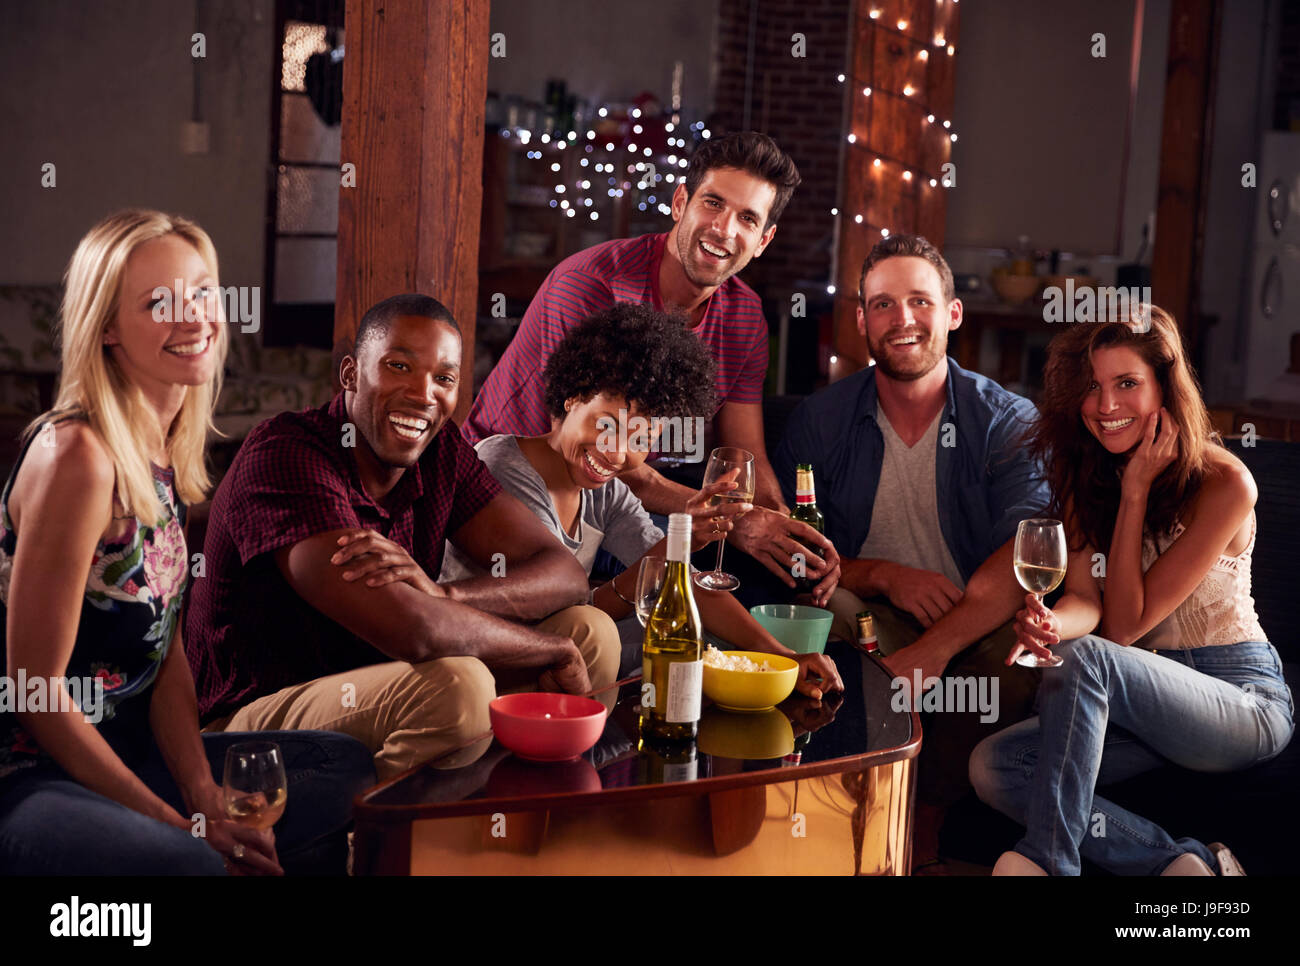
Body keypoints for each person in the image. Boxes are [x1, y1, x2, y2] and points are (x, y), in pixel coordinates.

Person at [0, 210, 373, 876]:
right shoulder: (79, 458)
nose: (194, 315)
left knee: (346, 771)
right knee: (187, 865)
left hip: (128, 744)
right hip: (28, 773)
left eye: (202, 291)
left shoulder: (162, 446)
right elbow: (33, 691)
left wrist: (206, 799)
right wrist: (178, 826)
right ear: (107, 328)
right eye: (158, 302)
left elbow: (166, 649)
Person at [187, 294, 621, 782]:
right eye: (399, 366)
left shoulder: (440, 452)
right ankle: (372, 846)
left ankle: (526, 812)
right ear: (351, 374)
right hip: (249, 720)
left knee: (590, 632)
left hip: (383, 680)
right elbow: (412, 630)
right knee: (459, 687)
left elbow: (562, 572)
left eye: (444, 378)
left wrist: (445, 594)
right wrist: (548, 650)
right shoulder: (287, 452)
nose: (423, 394)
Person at [969, 305, 1295, 876]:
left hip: (1239, 702)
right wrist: (1052, 625)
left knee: (1092, 658)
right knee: (994, 764)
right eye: (1094, 387)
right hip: (1137, 698)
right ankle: (1182, 865)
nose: (1106, 406)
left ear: (1166, 390)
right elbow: (1090, 607)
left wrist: (1137, 492)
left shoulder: (1225, 482)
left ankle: (1047, 863)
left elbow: (1123, 629)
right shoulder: (1085, 476)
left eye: (1127, 384)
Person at [771, 233, 1050, 870]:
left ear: (952, 313)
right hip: (869, 613)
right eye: (883, 305)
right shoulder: (822, 419)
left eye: (920, 301)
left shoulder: (1006, 421)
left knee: (1013, 667)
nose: (903, 320)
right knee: (821, 614)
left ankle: (926, 829)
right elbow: (788, 546)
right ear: (862, 320)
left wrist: (934, 650)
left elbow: (1023, 556)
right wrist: (885, 576)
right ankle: (827, 809)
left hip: (974, 618)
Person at [466, 131, 839, 597]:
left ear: (763, 240)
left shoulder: (744, 317)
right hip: (516, 488)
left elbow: (747, 454)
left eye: (747, 218)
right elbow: (603, 450)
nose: (724, 229)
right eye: (713, 203)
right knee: (700, 575)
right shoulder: (592, 286)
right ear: (680, 202)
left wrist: (786, 534)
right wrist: (738, 522)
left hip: (619, 497)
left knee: (774, 580)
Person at [442, 302, 843, 698]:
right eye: (607, 426)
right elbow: (559, 608)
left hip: (549, 660)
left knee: (686, 636)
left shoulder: (605, 492)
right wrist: (674, 546)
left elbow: (679, 583)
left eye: (640, 439)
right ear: (572, 397)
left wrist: (783, 657)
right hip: (477, 661)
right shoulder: (503, 466)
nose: (616, 453)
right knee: (601, 630)